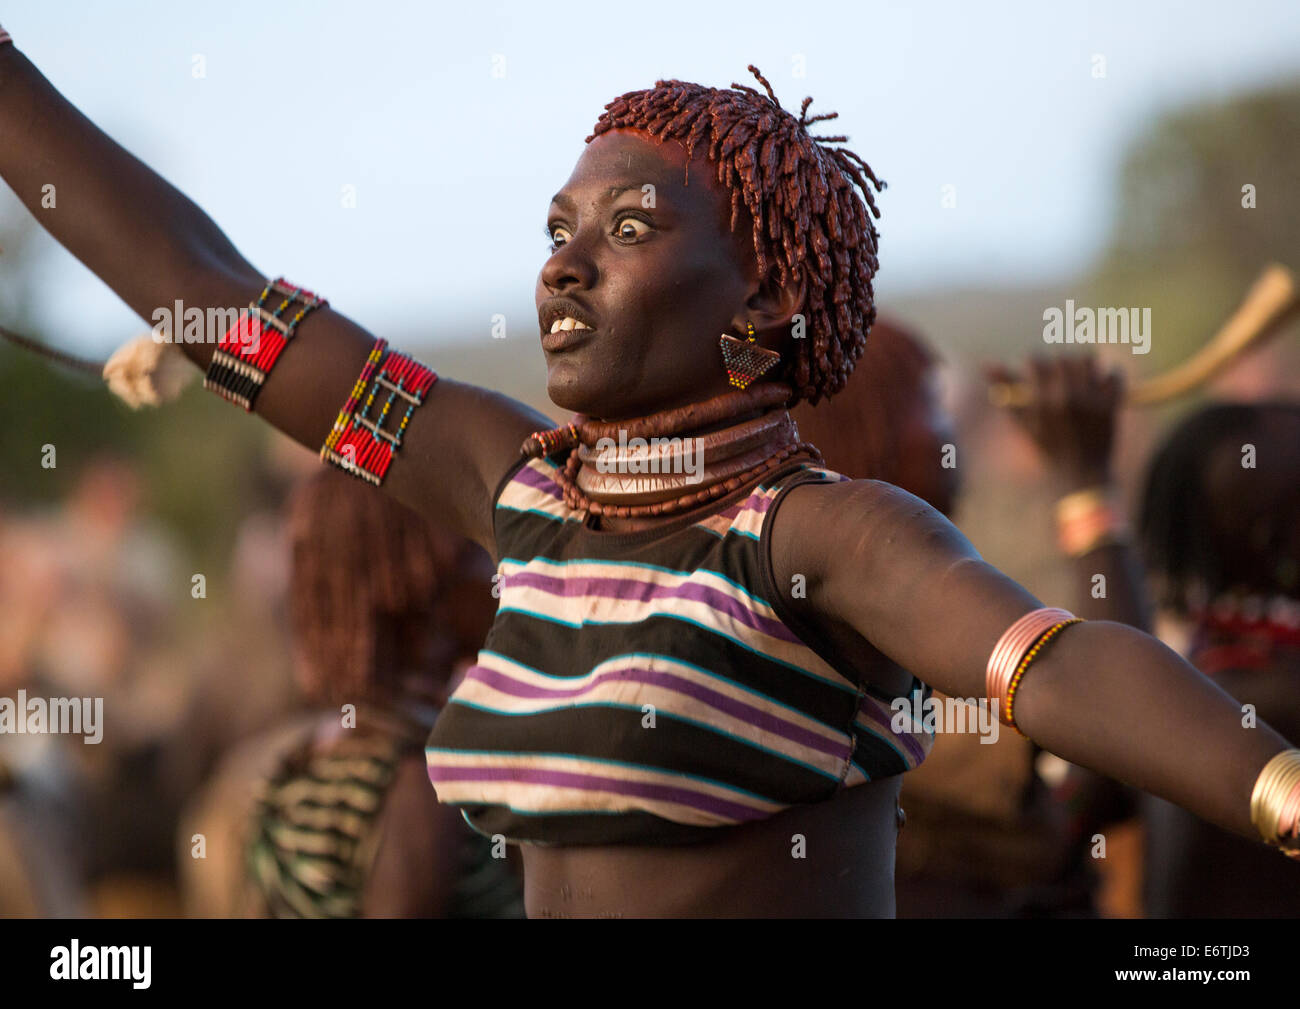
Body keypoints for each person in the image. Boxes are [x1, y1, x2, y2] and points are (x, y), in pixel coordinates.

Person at [3, 30, 1298, 916]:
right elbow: (213, 300)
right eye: (556, 232)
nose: (564, 264)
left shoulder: (819, 536)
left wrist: (1277, 788)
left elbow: (1054, 662)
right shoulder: (516, 487)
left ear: (763, 297)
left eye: (626, 230)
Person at [180, 468, 523, 918]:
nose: (494, 570)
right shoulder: (417, 791)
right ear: (414, 583)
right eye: (471, 550)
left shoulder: (309, 759)